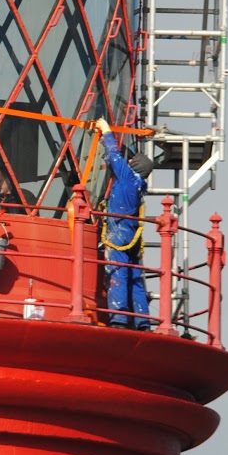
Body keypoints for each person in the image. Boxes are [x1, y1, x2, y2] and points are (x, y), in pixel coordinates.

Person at [93, 118, 155, 330]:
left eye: (132, 161)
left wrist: (106, 130)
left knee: (117, 273)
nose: (128, 163)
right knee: (135, 278)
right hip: (133, 236)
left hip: (118, 234)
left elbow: (114, 156)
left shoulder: (128, 178)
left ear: (136, 166)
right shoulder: (139, 184)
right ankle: (142, 321)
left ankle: (118, 318)